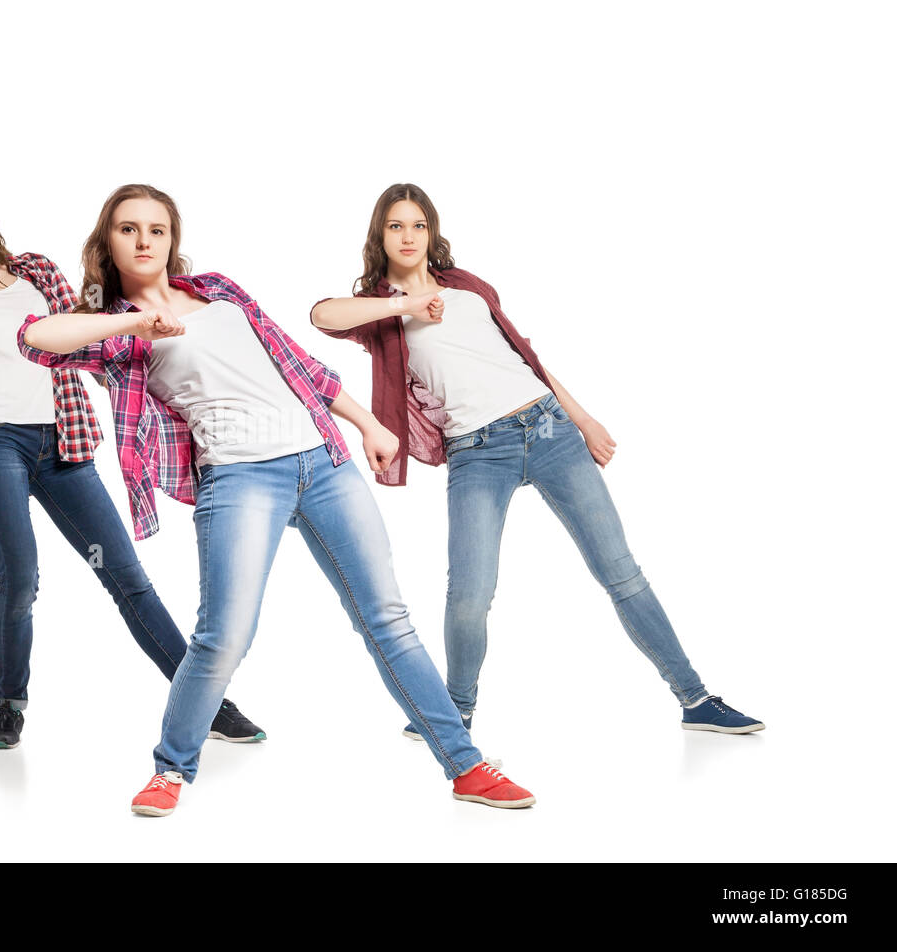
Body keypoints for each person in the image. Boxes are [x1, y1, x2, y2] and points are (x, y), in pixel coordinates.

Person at [19, 183, 536, 815]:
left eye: (156, 229)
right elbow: (35, 338)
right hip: (239, 479)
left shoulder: (218, 290)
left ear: (172, 239)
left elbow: (293, 361)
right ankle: (171, 768)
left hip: (322, 462)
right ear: (109, 242)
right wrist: (136, 321)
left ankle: (467, 766)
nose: (144, 240)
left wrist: (366, 423)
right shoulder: (112, 331)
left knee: (387, 619)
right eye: (129, 230)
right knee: (224, 636)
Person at [311, 182, 764, 739]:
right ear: (381, 235)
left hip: (548, 426)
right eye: (396, 226)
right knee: (471, 593)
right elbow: (321, 314)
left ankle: (695, 698)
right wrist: (405, 303)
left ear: (433, 232)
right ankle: (457, 709)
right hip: (478, 451)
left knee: (620, 572)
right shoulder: (382, 310)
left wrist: (584, 418)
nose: (409, 236)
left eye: (419, 225)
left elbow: (527, 358)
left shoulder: (469, 290)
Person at [0, 180, 263, 750]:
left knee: (123, 575)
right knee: (21, 576)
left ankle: (208, 703)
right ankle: (8, 704)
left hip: (65, 448)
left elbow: (82, 330)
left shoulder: (36, 272)